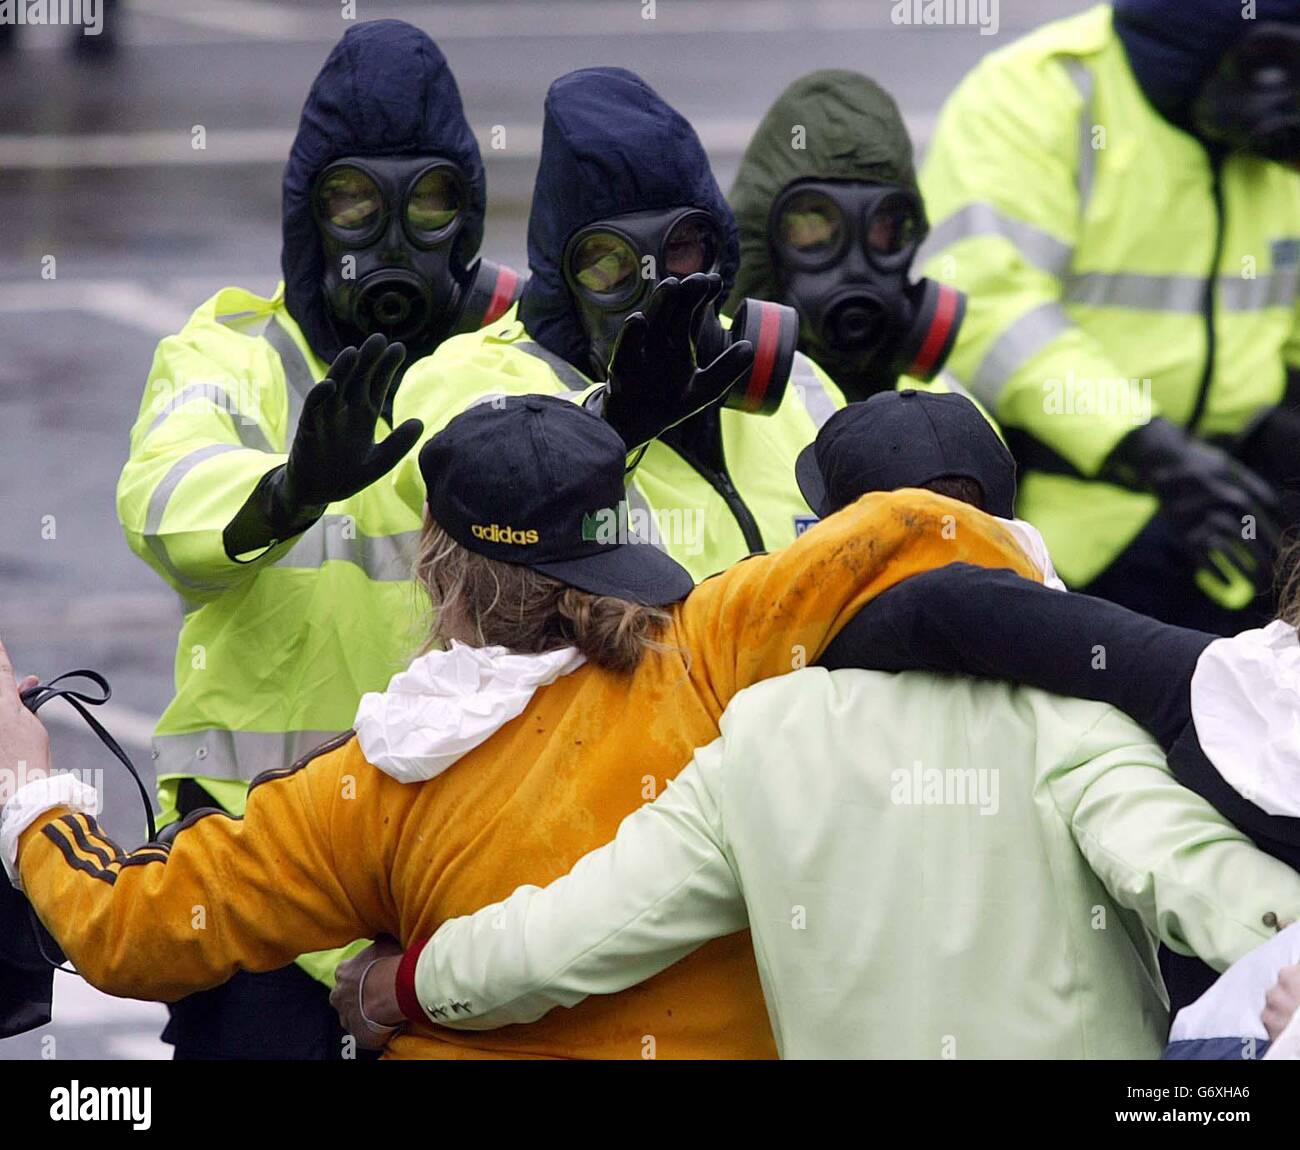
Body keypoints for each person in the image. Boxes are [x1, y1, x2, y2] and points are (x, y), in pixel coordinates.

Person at [1, 392, 1040, 1060]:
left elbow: (127, 934)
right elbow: (920, 525)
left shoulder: (369, 792)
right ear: (617, 536)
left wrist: (31, 789)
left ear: (435, 564)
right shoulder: (716, 646)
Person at [112, 20, 522, 1059]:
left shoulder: (516, 361)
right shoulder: (232, 352)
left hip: (457, 887)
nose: (391, 236)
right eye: (355, 202)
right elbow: (163, 504)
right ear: (307, 213)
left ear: (466, 215)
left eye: (426, 202)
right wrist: (284, 492)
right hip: (260, 898)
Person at [346, 649, 1300, 1059]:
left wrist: (400, 989)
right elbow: (1205, 885)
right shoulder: (1079, 721)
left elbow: (561, 943)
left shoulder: (761, 737)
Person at [919, 0, 1300, 634]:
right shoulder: (1039, 90)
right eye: (1274, 65)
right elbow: (984, 301)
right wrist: (1151, 450)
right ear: (1189, 52)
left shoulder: (1268, 142)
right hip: (1067, 526)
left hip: (1239, 513)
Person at [390, 67, 847, 583]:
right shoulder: (472, 382)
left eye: (679, 247)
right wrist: (608, 424)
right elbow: (473, 482)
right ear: (564, 280)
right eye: (610, 261)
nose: (657, 285)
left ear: (717, 251)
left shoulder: (802, 392)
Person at [726, 69, 967, 403]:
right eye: (815, 218)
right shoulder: (706, 409)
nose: (855, 266)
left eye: (882, 222)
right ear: (760, 235)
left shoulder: (949, 408)